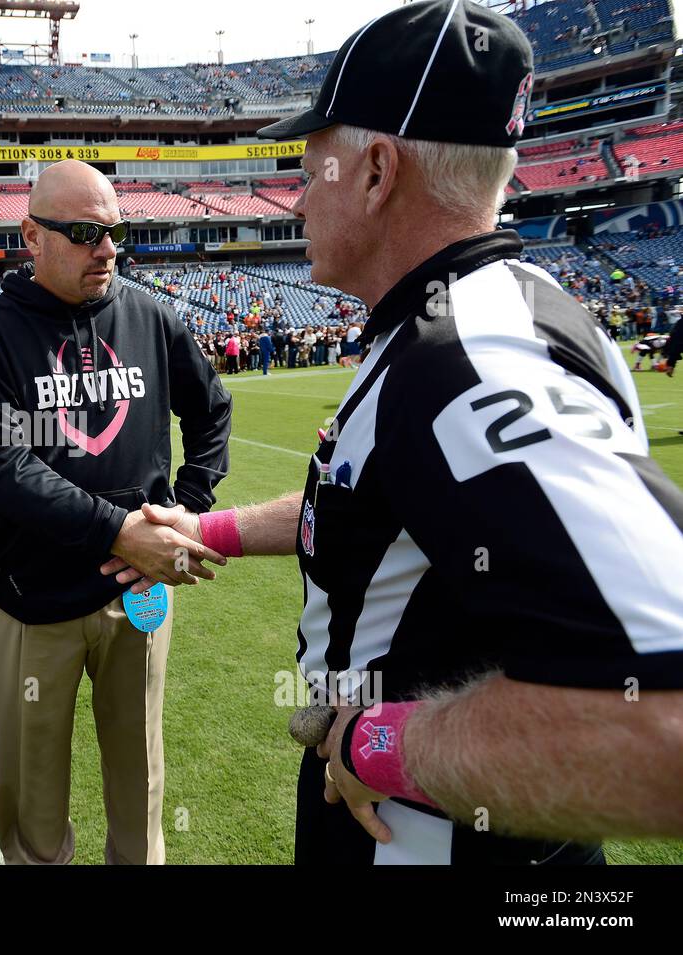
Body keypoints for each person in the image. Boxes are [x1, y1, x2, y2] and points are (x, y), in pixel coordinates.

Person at [112, 0, 683, 864]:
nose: (297, 197)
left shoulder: (468, 354)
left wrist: (378, 745)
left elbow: (660, 718)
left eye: (312, 167)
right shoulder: (466, 317)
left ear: (376, 172)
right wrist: (205, 527)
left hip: (432, 830)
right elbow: (371, 505)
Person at [0, 159, 232, 865]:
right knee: (32, 801)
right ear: (31, 237)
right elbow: (3, 469)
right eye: (83, 233)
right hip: (30, 600)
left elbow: (212, 411)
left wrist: (186, 510)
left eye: (114, 232)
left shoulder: (149, 313)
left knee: (140, 782)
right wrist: (119, 529)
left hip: (137, 599)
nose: (107, 249)